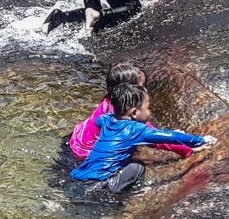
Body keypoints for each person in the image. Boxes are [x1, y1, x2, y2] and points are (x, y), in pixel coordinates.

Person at [67, 80, 211, 194]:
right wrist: (200, 140)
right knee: (137, 167)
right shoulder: (137, 129)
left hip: (79, 176)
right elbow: (170, 136)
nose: (149, 112)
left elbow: (98, 120)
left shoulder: (107, 120)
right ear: (134, 112)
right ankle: (134, 192)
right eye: (147, 107)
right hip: (101, 184)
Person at [67, 63, 198, 169]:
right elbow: (154, 139)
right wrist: (187, 149)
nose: (145, 91)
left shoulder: (111, 101)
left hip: (75, 138)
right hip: (85, 155)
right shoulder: (125, 116)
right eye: (140, 87)